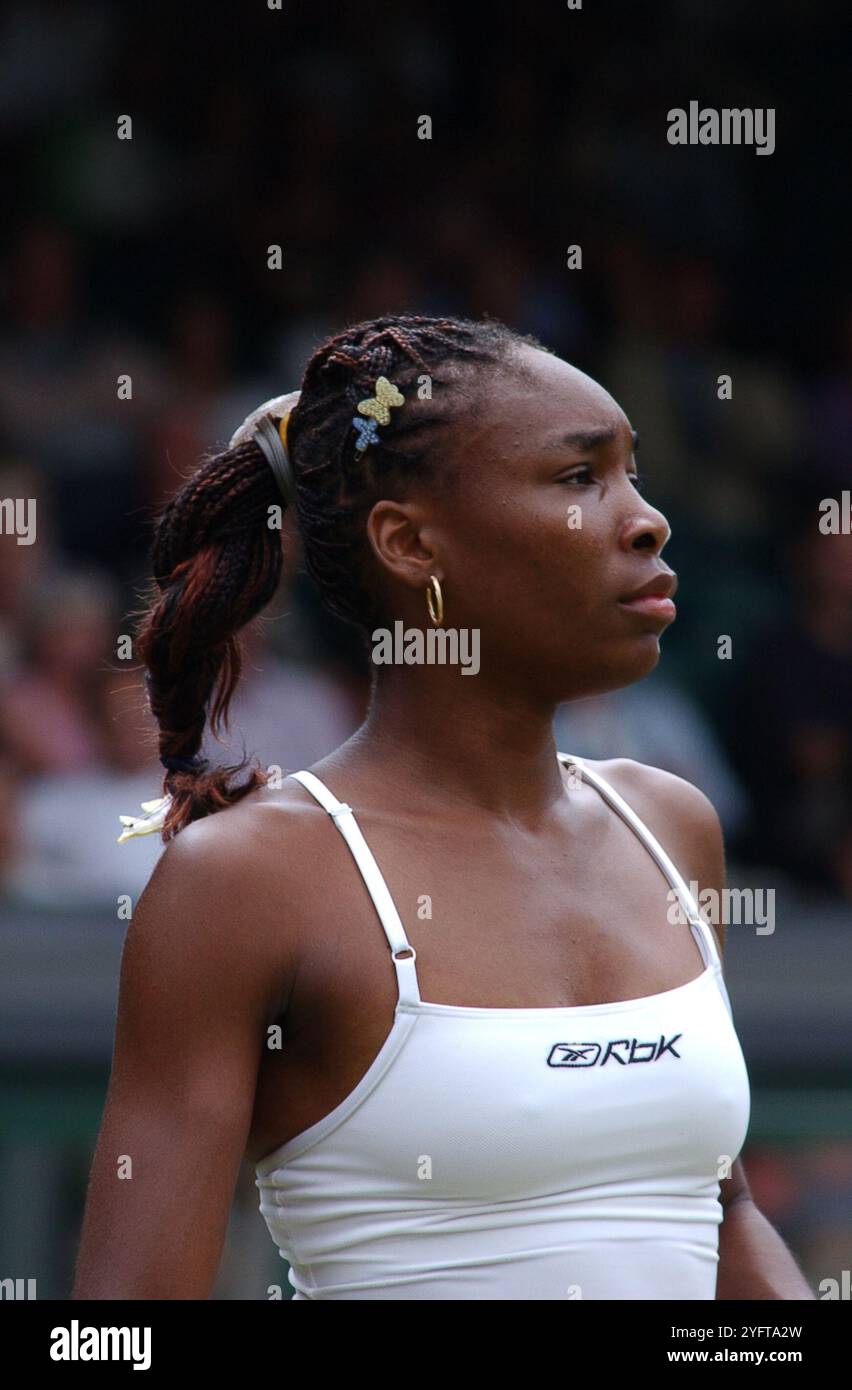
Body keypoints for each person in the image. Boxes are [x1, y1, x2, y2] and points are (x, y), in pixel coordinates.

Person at [71, 313, 813, 1300]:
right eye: (579, 478)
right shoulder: (245, 881)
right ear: (411, 543)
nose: (647, 518)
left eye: (633, 471)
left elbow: (716, 1215)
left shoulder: (671, 825)